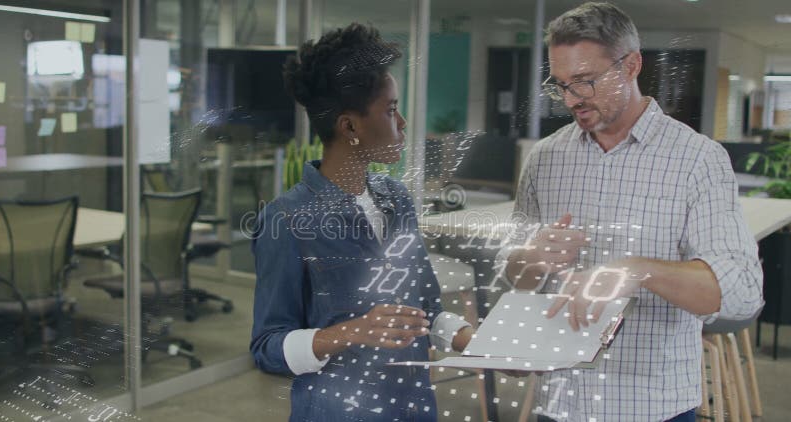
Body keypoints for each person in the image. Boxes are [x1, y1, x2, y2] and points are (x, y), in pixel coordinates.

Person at [496, 3, 763, 421]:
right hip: (560, 403)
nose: (571, 100)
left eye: (585, 82)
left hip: (651, 406)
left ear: (632, 65)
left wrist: (634, 270)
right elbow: (514, 273)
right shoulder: (544, 159)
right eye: (560, 85)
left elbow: (742, 291)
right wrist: (529, 258)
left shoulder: (697, 159)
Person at [250, 23, 474, 421]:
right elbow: (267, 348)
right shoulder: (285, 220)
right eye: (390, 109)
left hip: (414, 406)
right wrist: (348, 332)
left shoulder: (397, 199)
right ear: (350, 126)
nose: (402, 122)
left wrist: (472, 341)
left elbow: (427, 309)